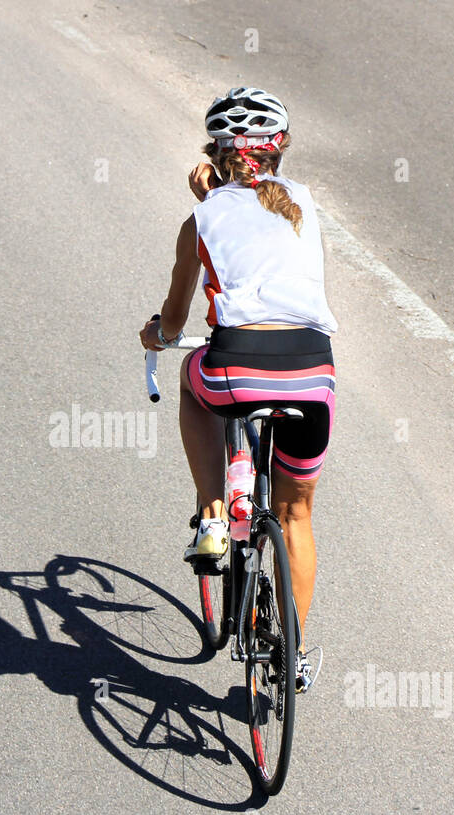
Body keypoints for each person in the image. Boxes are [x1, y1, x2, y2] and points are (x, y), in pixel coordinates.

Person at [139, 87, 337, 692]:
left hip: (234, 368)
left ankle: (214, 513)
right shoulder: (304, 203)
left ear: (212, 154)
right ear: (279, 154)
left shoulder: (200, 218)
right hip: (311, 371)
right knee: (296, 512)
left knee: (188, 377)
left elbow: (175, 319)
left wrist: (158, 334)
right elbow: (261, 223)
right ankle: (293, 655)